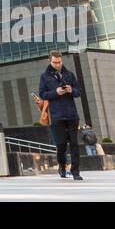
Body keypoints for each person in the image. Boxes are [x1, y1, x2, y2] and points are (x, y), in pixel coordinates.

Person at [39, 51, 85, 181]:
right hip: (57, 116)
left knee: (74, 144)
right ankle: (62, 166)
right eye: (55, 62)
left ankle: (75, 171)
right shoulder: (44, 76)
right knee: (61, 145)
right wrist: (56, 92)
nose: (57, 64)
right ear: (50, 61)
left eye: (59, 62)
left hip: (71, 115)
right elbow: (42, 94)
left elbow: (78, 92)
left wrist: (71, 90)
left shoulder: (69, 74)